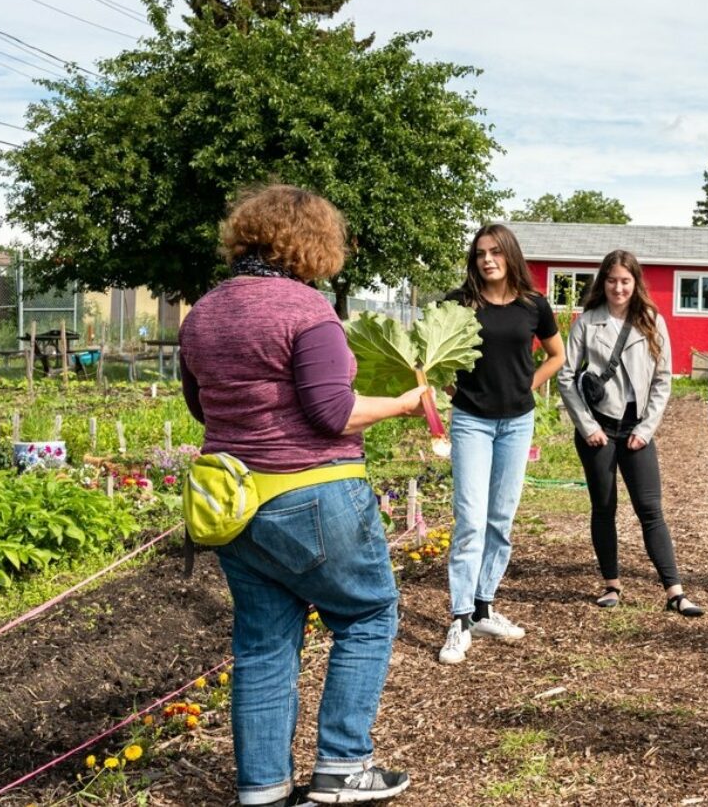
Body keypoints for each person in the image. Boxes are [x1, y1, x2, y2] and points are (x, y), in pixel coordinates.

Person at [180, 184, 420, 806]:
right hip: (313, 492)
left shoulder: (202, 313)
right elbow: (332, 412)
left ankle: (263, 789)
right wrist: (403, 404)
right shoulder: (307, 309)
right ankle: (343, 766)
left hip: (233, 502)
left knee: (263, 644)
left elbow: (200, 406)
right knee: (367, 615)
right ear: (313, 244)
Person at [438, 223, 565, 665]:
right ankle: (459, 620)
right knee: (470, 520)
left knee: (500, 520)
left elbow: (557, 355)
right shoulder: (459, 304)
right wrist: (456, 393)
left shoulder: (533, 305)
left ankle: (483, 608)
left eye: (495, 252)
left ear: (510, 255)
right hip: (472, 422)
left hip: (517, 423)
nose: (488, 260)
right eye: (480, 253)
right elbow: (433, 359)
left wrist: (527, 386)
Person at [557, 250, 702, 617]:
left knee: (650, 509)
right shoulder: (587, 322)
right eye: (611, 280)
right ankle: (611, 584)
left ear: (635, 283)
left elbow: (663, 380)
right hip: (598, 429)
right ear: (602, 283)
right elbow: (566, 377)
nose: (618, 288)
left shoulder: (652, 321)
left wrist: (647, 428)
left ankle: (675, 591)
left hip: (637, 430)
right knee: (604, 507)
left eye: (625, 281)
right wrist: (587, 426)